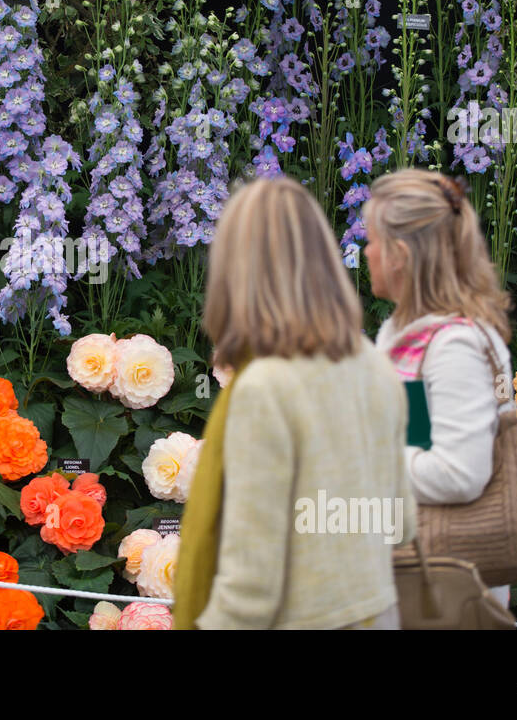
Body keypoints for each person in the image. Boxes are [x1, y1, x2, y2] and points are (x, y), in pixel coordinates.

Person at [172, 178, 415, 630]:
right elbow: (403, 522)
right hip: (373, 611)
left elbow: (252, 583)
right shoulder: (377, 368)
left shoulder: (265, 387)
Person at [362, 169, 514, 609]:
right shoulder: (401, 332)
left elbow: (460, 475)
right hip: (407, 573)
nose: (366, 251)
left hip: (446, 585)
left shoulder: (456, 345)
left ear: (400, 255)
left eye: (372, 240)